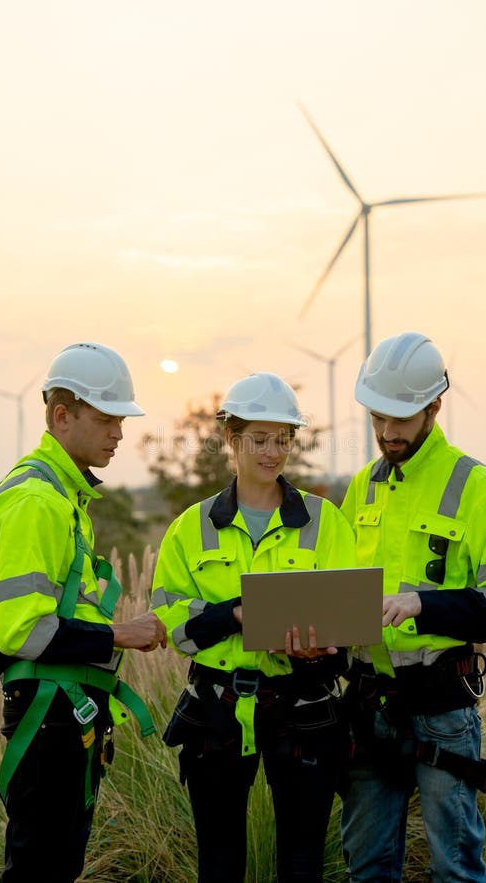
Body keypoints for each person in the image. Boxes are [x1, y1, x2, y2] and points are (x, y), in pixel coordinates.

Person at [0, 342, 167, 883]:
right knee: (39, 868)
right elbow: (25, 629)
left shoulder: (64, 498)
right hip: (47, 716)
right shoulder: (37, 502)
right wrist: (119, 634)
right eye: (106, 419)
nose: (119, 434)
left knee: (56, 865)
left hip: (66, 714)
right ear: (62, 416)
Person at [339, 331, 486, 883]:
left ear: (434, 406)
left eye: (400, 418)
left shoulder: (480, 488)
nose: (386, 432)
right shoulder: (360, 489)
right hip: (368, 703)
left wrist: (422, 605)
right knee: (368, 869)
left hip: (443, 707)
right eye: (377, 417)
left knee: (455, 869)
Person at [151, 371, 355, 883]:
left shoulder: (325, 521)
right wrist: (238, 615)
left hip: (304, 709)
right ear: (231, 439)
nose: (272, 452)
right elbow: (173, 624)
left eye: (283, 440)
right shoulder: (189, 528)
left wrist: (324, 652)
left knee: (303, 862)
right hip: (217, 713)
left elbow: (347, 616)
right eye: (259, 440)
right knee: (219, 864)